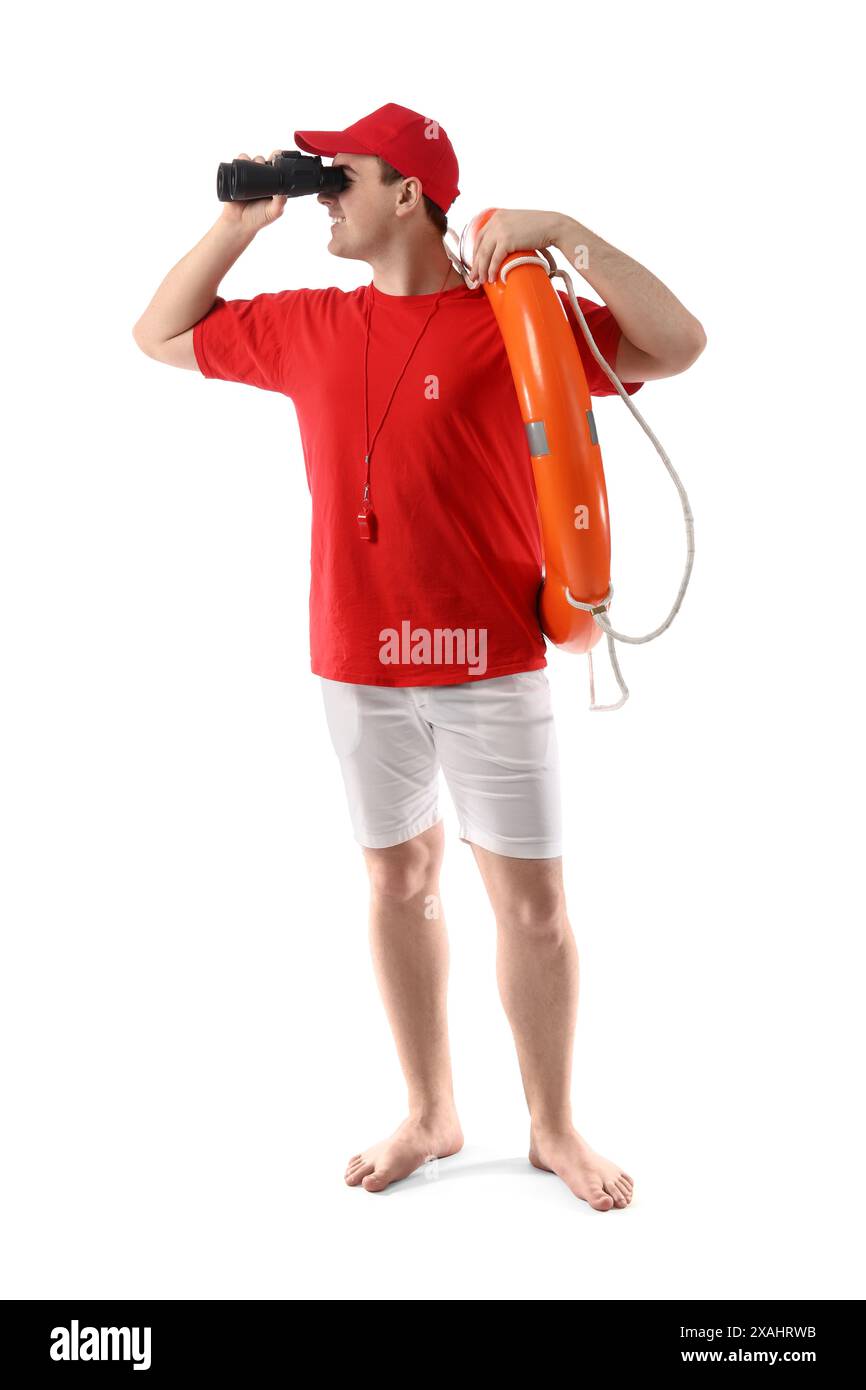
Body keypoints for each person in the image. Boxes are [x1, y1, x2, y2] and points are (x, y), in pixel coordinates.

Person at [133, 102, 706, 1211]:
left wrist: (563, 231)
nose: (322, 198)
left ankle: (550, 1125)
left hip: (486, 661)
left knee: (530, 906)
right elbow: (157, 334)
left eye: (334, 178)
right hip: (354, 662)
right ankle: (432, 1107)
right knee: (398, 880)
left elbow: (677, 345)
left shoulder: (514, 322)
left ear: (405, 193)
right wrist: (242, 222)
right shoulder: (308, 324)